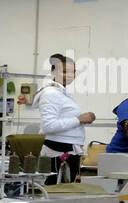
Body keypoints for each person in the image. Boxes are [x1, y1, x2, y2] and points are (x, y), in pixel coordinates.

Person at [34, 54, 95, 183]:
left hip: (68, 149)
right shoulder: (51, 94)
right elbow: (48, 125)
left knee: (65, 193)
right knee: (55, 193)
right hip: (58, 151)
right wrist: (79, 119)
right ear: (53, 71)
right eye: (64, 71)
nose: (69, 75)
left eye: (72, 71)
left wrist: (83, 119)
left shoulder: (62, 94)